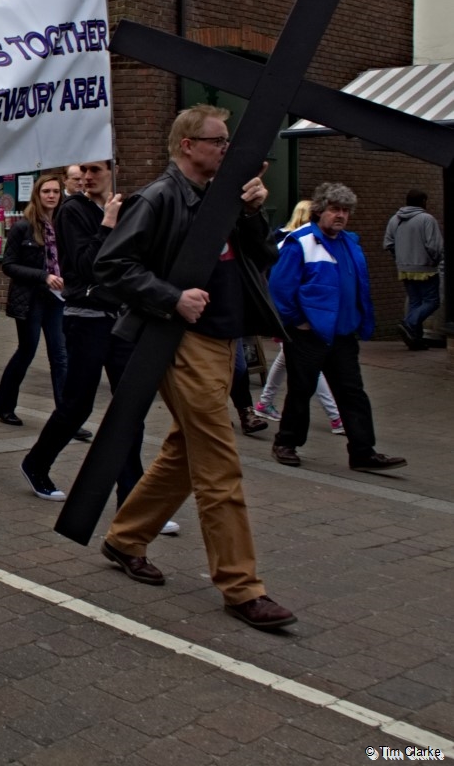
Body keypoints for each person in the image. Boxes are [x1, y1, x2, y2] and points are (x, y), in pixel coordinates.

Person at [93, 104, 296, 631]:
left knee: (187, 452)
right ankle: (242, 587)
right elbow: (111, 265)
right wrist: (171, 297)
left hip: (227, 339)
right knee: (219, 465)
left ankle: (125, 539)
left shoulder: (221, 196)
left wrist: (253, 213)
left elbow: (262, 258)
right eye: (218, 141)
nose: (228, 149)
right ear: (188, 145)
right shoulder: (159, 197)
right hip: (184, 342)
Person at [22, 160, 155, 509]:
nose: (88, 177)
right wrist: (108, 225)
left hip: (122, 320)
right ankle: (36, 463)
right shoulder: (73, 211)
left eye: (96, 169)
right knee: (77, 405)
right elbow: (85, 265)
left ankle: (131, 497)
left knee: (130, 407)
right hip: (86, 320)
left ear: (114, 170)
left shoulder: (126, 206)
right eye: (84, 171)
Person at [269, 182, 406, 473]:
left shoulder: (350, 243)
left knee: (352, 392)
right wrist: (298, 322)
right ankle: (286, 443)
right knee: (301, 390)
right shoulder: (300, 242)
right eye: (334, 209)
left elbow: (359, 286)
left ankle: (363, 453)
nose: (340, 215)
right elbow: (279, 289)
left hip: (342, 334)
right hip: (308, 335)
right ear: (320, 210)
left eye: (345, 210)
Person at [256, 200, 341, 431]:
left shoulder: (285, 239)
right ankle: (335, 416)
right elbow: (281, 285)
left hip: (288, 316)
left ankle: (264, 402)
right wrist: (293, 318)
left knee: (286, 359)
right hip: (293, 319)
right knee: (312, 368)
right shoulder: (294, 243)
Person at [0, 175, 68, 427]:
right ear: (37, 194)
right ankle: (4, 404)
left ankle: (66, 416)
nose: (51, 195)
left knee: (60, 355)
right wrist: (43, 276)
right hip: (30, 299)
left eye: (56, 191)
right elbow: (9, 265)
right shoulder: (23, 227)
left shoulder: (62, 225)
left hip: (57, 299)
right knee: (27, 350)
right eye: (46, 191)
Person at [384, 188, 444, 350]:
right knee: (432, 302)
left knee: (415, 302)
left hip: (404, 269)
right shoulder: (427, 219)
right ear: (423, 202)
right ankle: (409, 323)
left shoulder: (395, 219)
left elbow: (388, 243)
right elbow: (435, 246)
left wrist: (401, 258)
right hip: (426, 268)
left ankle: (415, 340)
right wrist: (434, 261)